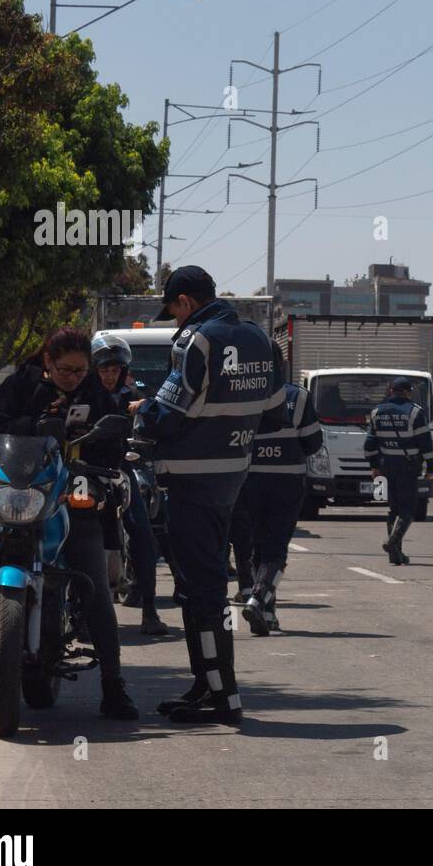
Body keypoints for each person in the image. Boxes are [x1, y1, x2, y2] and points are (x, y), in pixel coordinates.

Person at [0, 328, 139, 719]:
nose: (75, 377)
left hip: (67, 501)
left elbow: (113, 440)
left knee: (93, 578)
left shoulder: (95, 393)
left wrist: (95, 447)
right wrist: (39, 422)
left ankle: (114, 686)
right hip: (14, 492)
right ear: (48, 362)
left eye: (81, 371)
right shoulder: (20, 385)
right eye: (66, 370)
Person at [136, 266, 284, 726]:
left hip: (189, 482)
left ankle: (223, 696)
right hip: (231, 481)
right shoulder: (261, 339)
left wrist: (140, 416)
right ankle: (208, 685)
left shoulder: (194, 341)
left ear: (184, 301)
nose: (176, 320)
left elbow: (168, 414)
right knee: (206, 586)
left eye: (174, 310)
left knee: (202, 594)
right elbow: (276, 414)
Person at [234, 345, 323, 636]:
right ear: (280, 363)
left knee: (259, 544)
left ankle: (268, 614)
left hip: (248, 481)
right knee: (275, 548)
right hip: (286, 483)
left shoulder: (240, 393)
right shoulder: (297, 396)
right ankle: (259, 598)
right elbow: (312, 443)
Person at [91, 333, 168, 636]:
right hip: (87, 472)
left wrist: (145, 410)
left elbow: (156, 420)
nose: (110, 376)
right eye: (104, 370)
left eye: (114, 370)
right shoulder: (84, 395)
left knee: (142, 533)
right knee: (79, 533)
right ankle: (78, 612)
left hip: (121, 469)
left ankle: (149, 609)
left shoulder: (134, 395)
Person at [365, 376, 433, 565]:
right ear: (407, 392)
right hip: (408, 466)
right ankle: (392, 543)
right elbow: (425, 444)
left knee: (393, 509)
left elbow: (370, 443)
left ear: (390, 391)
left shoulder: (377, 412)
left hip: (386, 465)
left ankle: (395, 554)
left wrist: (374, 466)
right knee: (407, 510)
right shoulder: (414, 413)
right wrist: (431, 468)